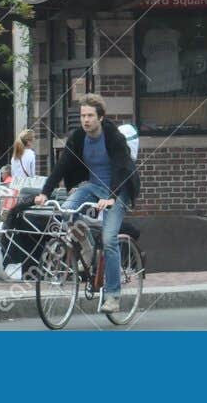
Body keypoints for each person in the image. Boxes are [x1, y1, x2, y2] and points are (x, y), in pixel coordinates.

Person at [34, 95, 140, 313]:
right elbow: (62, 165)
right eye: (83, 116)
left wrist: (111, 196)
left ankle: (113, 296)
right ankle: (88, 246)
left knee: (110, 240)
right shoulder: (79, 137)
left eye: (90, 115)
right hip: (92, 186)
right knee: (66, 212)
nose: (86, 120)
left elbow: (121, 167)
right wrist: (45, 192)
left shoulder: (113, 137)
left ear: (100, 117)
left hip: (118, 190)